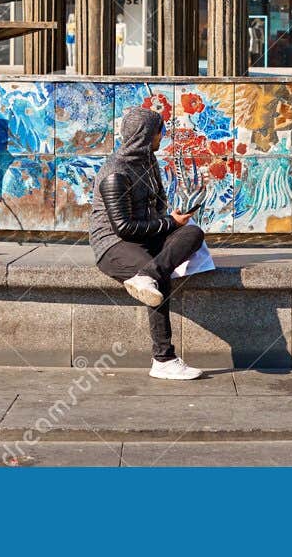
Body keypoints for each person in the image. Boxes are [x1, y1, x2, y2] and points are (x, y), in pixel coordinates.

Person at [89, 107, 206, 381]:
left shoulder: (148, 162)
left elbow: (155, 210)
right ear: (146, 135)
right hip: (114, 244)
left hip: (147, 235)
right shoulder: (115, 173)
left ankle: (148, 275)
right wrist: (170, 224)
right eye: (159, 131)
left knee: (193, 234)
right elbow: (124, 227)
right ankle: (163, 359)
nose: (162, 136)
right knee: (159, 277)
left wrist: (174, 221)